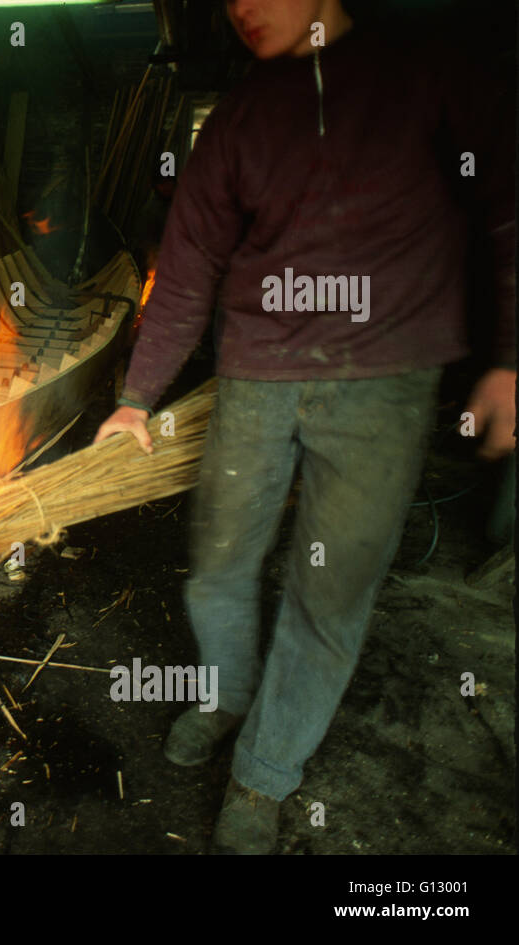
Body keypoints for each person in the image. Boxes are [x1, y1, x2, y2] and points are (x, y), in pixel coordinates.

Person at [93, 0, 516, 854]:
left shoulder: (425, 75)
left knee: (331, 590)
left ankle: (266, 769)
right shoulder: (242, 116)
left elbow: (507, 206)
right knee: (217, 562)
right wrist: (137, 398)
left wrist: (510, 354)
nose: (239, 7)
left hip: (385, 383)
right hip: (255, 376)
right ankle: (227, 690)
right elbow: (187, 266)